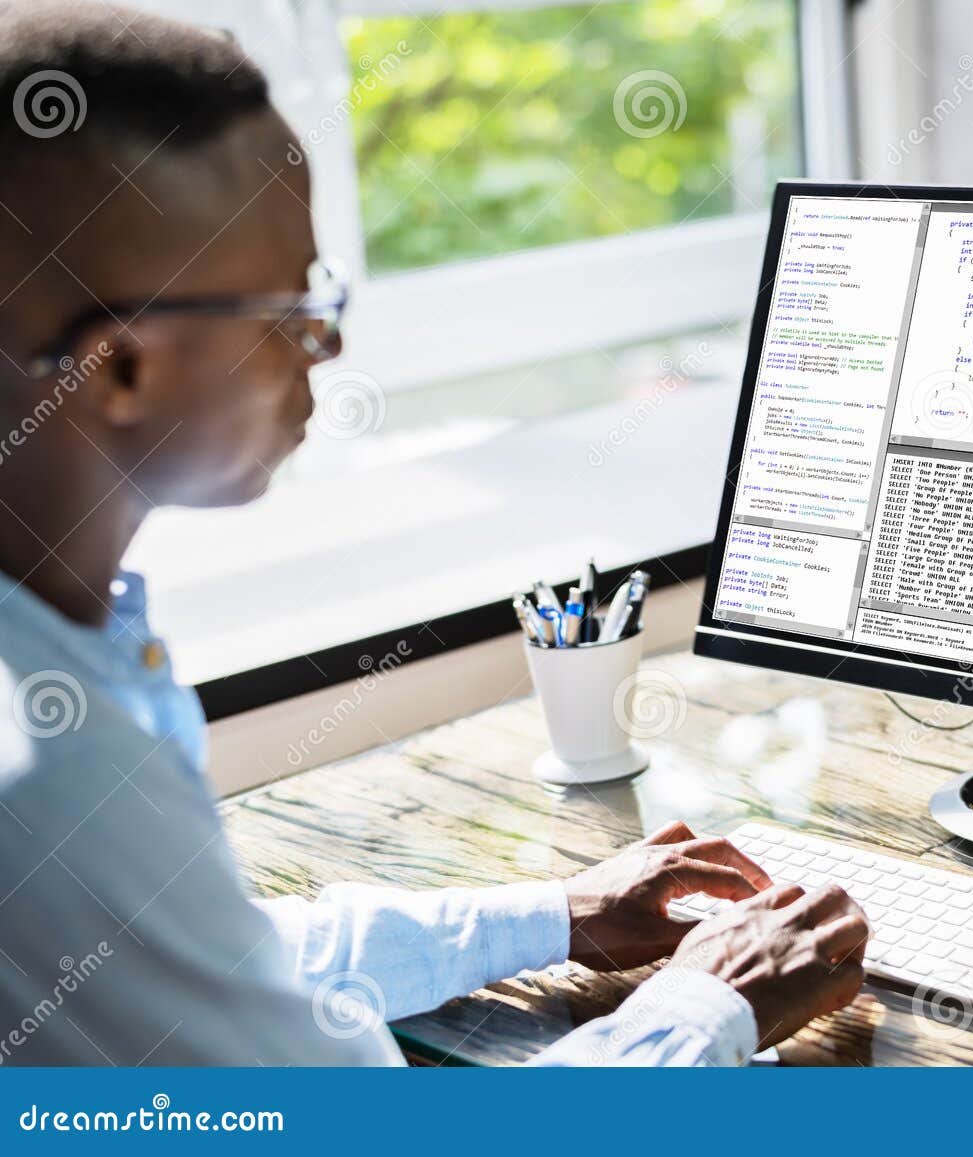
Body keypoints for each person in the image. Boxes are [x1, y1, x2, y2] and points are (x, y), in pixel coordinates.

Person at [0, 1, 867, 1066]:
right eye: (293, 305)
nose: (326, 344)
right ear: (121, 367)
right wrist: (710, 1002)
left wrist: (555, 913)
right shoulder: (44, 769)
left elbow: (210, 962)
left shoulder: (56, 664)